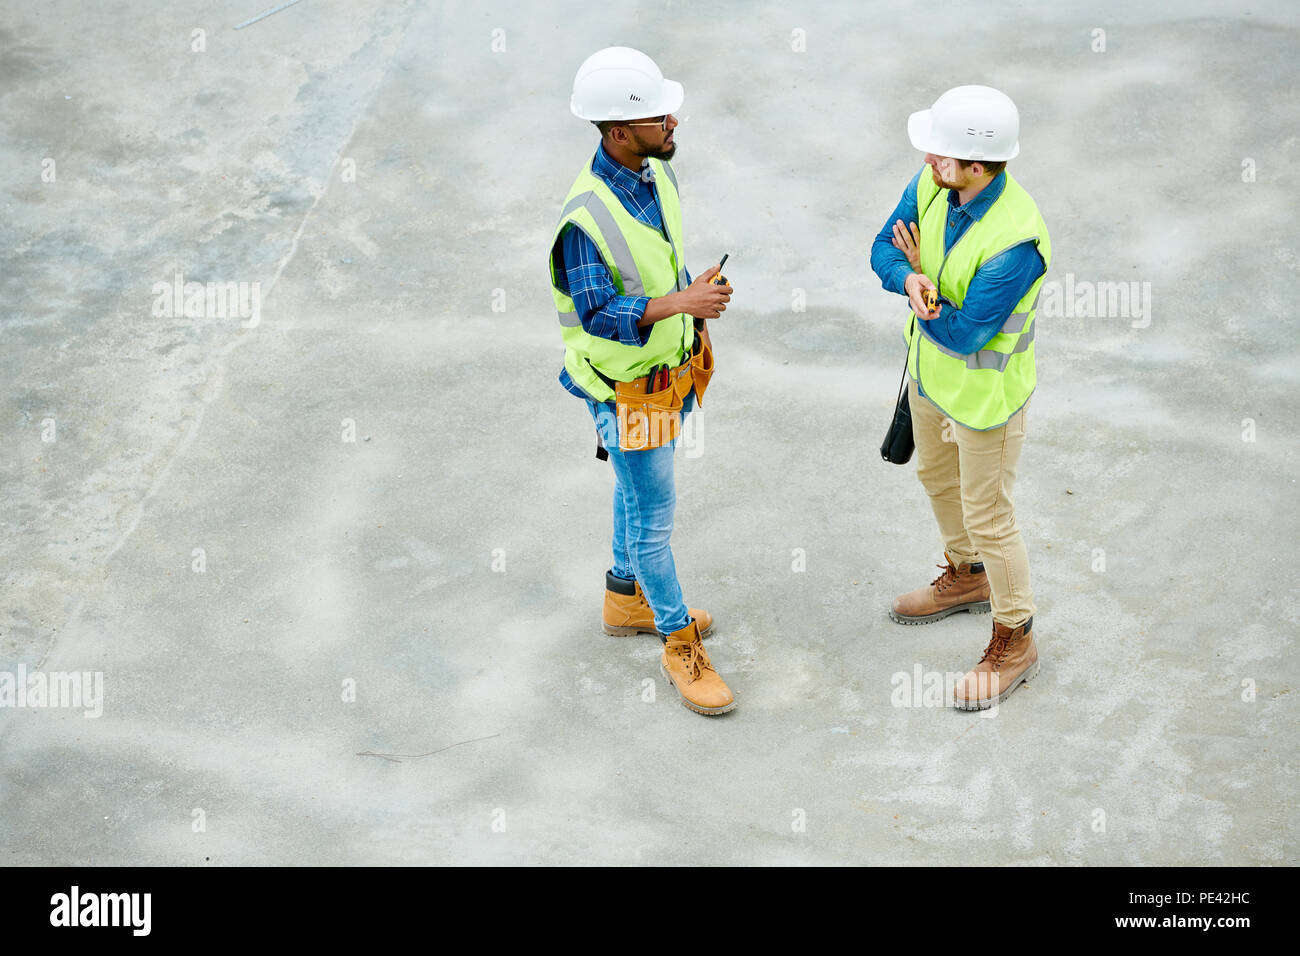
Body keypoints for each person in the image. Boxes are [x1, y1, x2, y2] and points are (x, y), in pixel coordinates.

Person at [548, 47, 736, 716]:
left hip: (667, 377)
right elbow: (598, 313)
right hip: (630, 391)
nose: (674, 120)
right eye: (661, 115)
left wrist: (690, 291)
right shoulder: (586, 220)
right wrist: (682, 306)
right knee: (654, 516)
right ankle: (677, 639)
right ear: (620, 131)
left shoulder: (654, 177)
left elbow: (650, 272)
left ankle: (624, 596)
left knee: (634, 493)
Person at [870, 85, 1053, 711]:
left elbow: (968, 331)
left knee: (990, 516)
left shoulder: (1015, 244)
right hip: (930, 381)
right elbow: (879, 249)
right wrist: (910, 275)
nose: (926, 163)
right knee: (934, 478)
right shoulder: (935, 184)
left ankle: (1015, 637)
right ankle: (967, 577)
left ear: (976, 166)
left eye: (940, 156)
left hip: (986, 401)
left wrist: (926, 300)